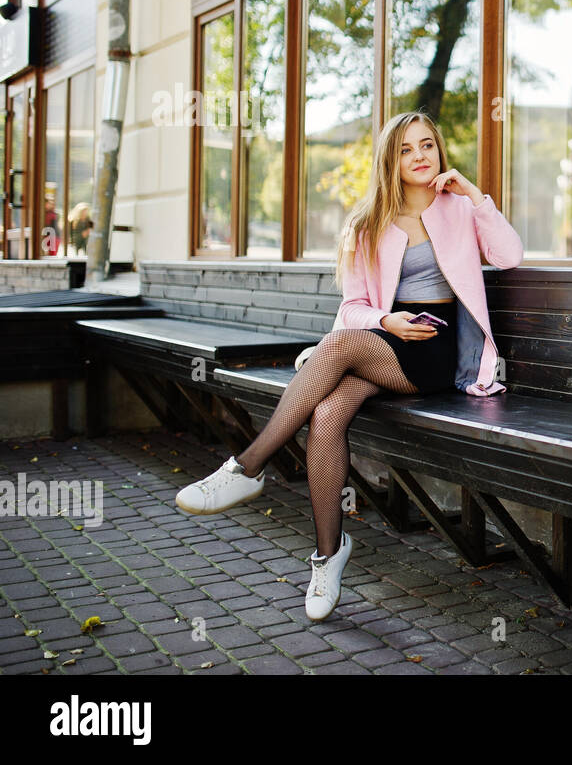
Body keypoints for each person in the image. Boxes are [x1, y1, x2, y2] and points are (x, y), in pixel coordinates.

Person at [174, 111, 523, 621]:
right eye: (406, 149)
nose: (420, 156)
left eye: (428, 145)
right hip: (390, 342)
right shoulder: (370, 220)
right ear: (391, 160)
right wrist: (389, 319)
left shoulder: (459, 208)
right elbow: (354, 307)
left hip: (441, 352)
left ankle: (246, 467)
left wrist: (474, 192)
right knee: (329, 413)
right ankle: (327, 555)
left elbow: (509, 255)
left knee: (335, 349)